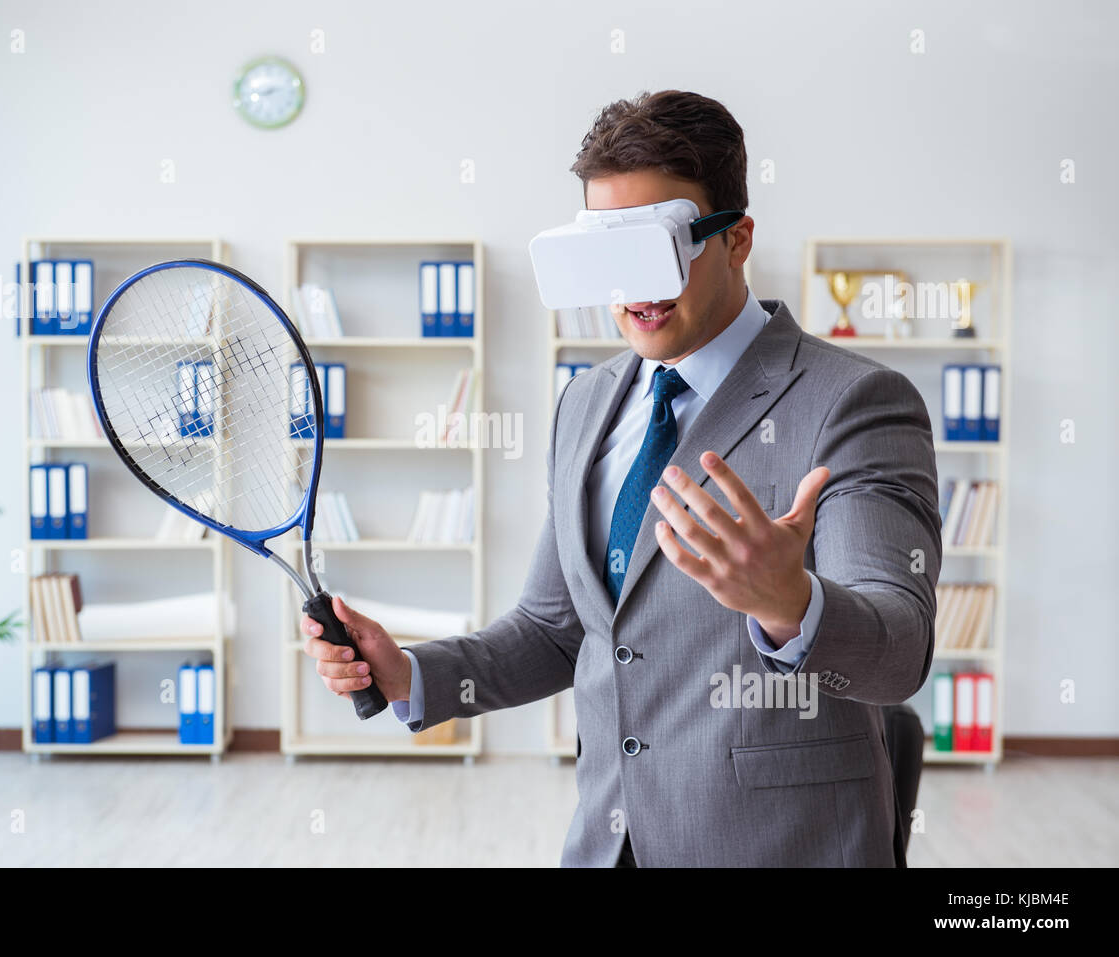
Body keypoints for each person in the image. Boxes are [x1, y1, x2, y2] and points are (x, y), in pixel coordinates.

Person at [301, 90, 940, 867]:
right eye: (609, 253)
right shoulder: (587, 401)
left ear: (736, 240)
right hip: (612, 843)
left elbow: (900, 650)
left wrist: (790, 603)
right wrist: (409, 672)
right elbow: (554, 627)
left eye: (657, 248)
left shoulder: (852, 401)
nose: (634, 288)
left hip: (783, 845)